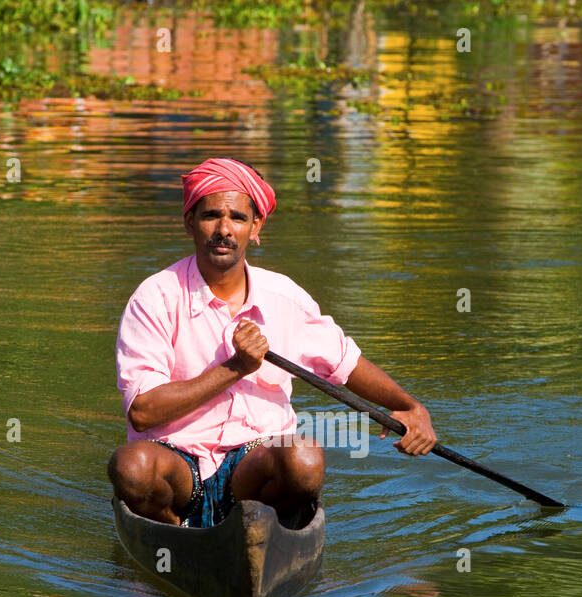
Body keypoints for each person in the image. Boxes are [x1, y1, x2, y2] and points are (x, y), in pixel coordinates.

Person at [109, 157, 437, 527]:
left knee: (305, 458)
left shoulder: (285, 297)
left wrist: (410, 407)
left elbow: (347, 365)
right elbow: (143, 412)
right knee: (132, 467)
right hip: (178, 464)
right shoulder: (156, 297)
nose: (224, 229)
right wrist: (236, 368)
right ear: (190, 223)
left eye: (238, 217)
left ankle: (258, 527)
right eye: (211, 215)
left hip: (255, 465)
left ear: (256, 226)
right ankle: (174, 527)